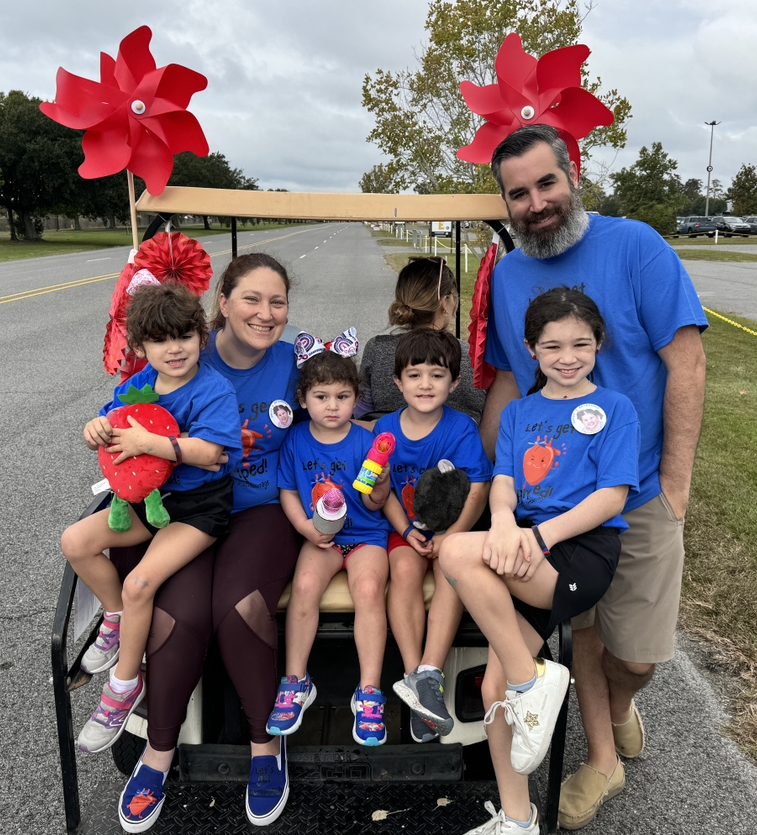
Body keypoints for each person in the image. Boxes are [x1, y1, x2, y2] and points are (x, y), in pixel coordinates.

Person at [478, 125, 707, 830]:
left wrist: (676, 484)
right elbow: (514, 385)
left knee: (636, 655)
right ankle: (601, 760)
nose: (535, 202)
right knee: (582, 634)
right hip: (552, 503)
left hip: (634, 492)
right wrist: (486, 480)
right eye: (518, 193)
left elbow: (686, 362)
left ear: (571, 174)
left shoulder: (636, 245)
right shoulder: (512, 273)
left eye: (546, 183)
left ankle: (623, 702)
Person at [105, 253, 303, 831]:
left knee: (238, 608)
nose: (265, 314)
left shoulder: (295, 362)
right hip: (187, 511)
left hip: (263, 507)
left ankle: (265, 745)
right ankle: (158, 749)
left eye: (277, 302)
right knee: (176, 613)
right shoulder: (182, 347)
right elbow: (126, 417)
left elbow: (348, 412)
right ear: (221, 301)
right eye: (251, 299)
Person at [439, 287, 639, 835]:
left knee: (456, 549)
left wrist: (539, 537)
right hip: (524, 544)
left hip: (578, 549)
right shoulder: (521, 412)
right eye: (552, 346)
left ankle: (534, 682)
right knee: (489, 689)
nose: (567, 356)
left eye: (581, 343)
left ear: (600, 343)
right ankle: (518, 819)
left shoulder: (616, 409)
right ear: (531, 349)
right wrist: (503, 524)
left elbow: (612, 497)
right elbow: (504, 481)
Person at [59, 282, 239, 831]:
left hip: (197, 509)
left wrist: (150, 444)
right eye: (160, 341)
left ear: (201, 336)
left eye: (184, 335)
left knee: (142, 584)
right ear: (141, 346)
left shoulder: (212, 389)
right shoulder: (138, 384)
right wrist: (96, 430)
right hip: (144, 500)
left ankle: (124, 685)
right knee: (76, 542)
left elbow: (211, 455)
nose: (175, 349)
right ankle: (113, 618)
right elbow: (111, 423)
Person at [267, 344, 394, 747]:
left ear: (357, 398)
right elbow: (287, 491)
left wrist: (382, 481)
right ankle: (295, 681)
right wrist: (305, 528)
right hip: (319, 538)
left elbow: (377, 502)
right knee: (304, 587)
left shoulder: (366, 439)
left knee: (370, 591)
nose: (333, 407)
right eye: (321, 398)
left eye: (343, 397)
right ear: (303, 400)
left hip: (365, 535)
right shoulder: (297, 439)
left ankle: (370, 691)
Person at [375, 328, 491, 743]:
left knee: (451, 574)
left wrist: (453, 535)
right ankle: (414, 682)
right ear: (397, 382)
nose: (425, 384)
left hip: (450, 530)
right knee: (403, 571)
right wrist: (405, 530)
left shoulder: (460, 428)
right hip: (401, 530)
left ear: (454, 383)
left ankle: (430, 672)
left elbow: (478, 488)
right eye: (415, 375)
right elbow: (380, 489)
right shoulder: (384, 430)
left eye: (437, 375)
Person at [358, 256, 486, 423]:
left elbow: (362, 413)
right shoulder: (474, 355)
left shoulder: (376, 349)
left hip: (387, 444)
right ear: (444, 302)